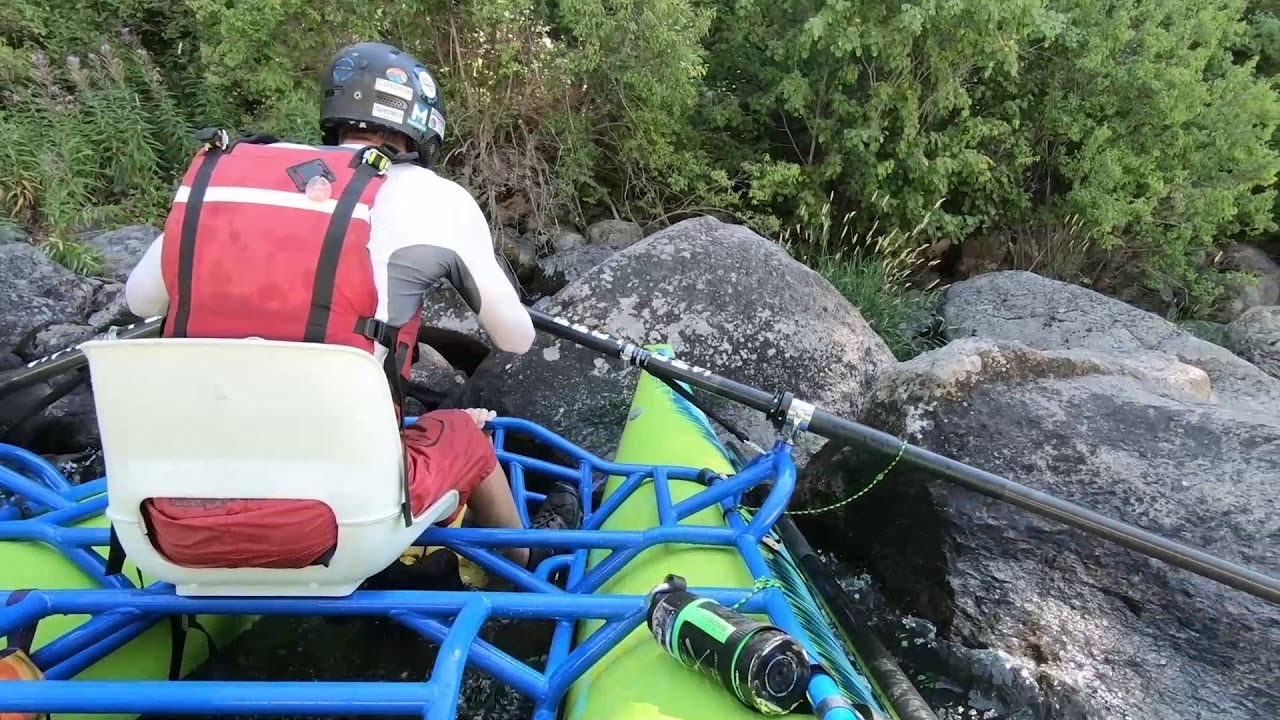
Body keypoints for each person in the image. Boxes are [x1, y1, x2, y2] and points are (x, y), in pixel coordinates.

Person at [122, 41, 581, 581]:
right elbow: (516, 338)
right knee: (463, 433)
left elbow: (139, 301)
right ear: (419, 125)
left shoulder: (229, 184)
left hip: (169, 521)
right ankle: (523, 567)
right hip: (339, 524)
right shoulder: (435, 197)